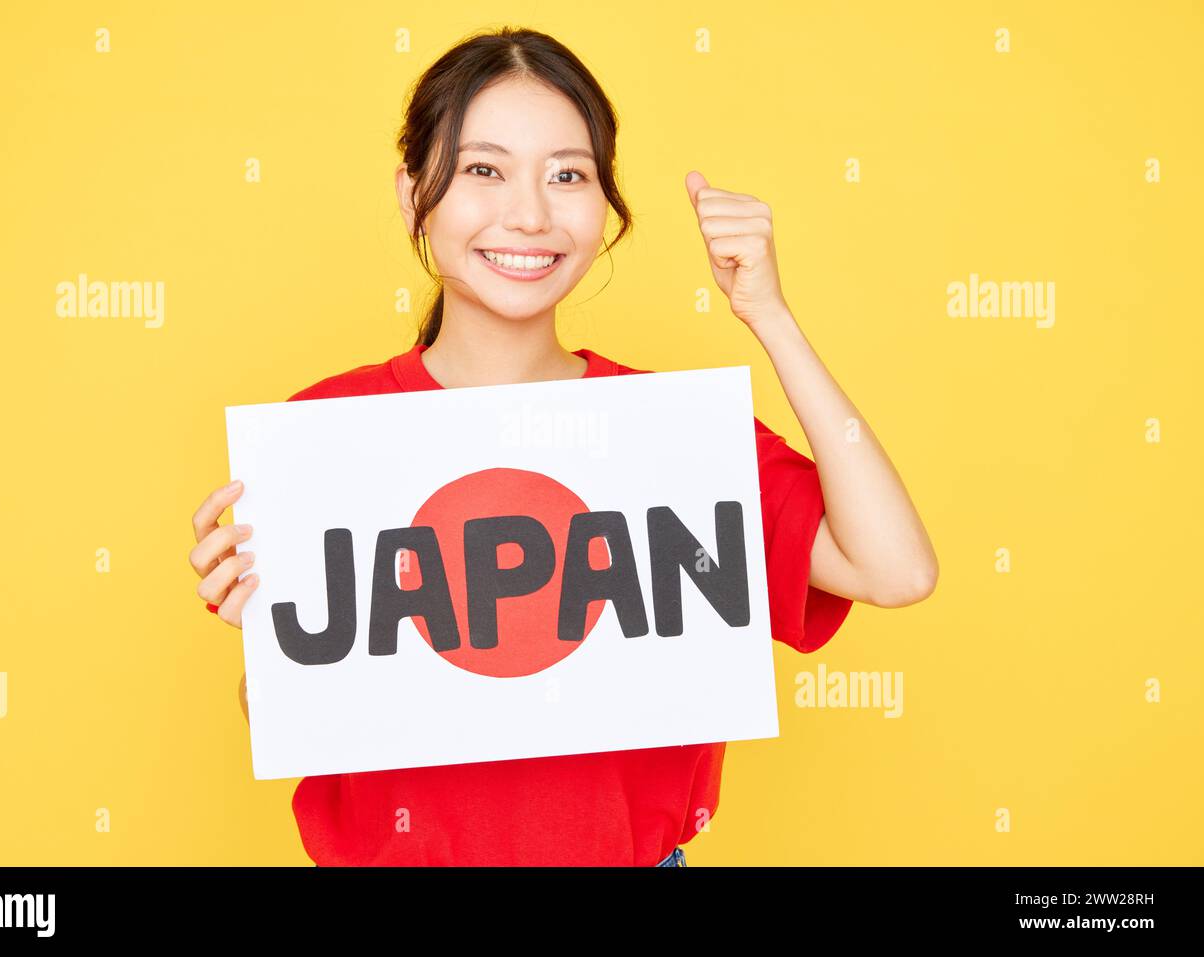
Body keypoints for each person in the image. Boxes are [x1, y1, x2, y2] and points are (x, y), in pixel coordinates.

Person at [187, 26, 938, 867]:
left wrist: (770, 313)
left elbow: (895, 569)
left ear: (606, 205)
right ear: (413, 196)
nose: (531, 214)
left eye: (568, 175)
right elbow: (311, 726)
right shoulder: (327, 432)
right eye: (484, 169)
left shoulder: (671, 435)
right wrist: (272, 636)